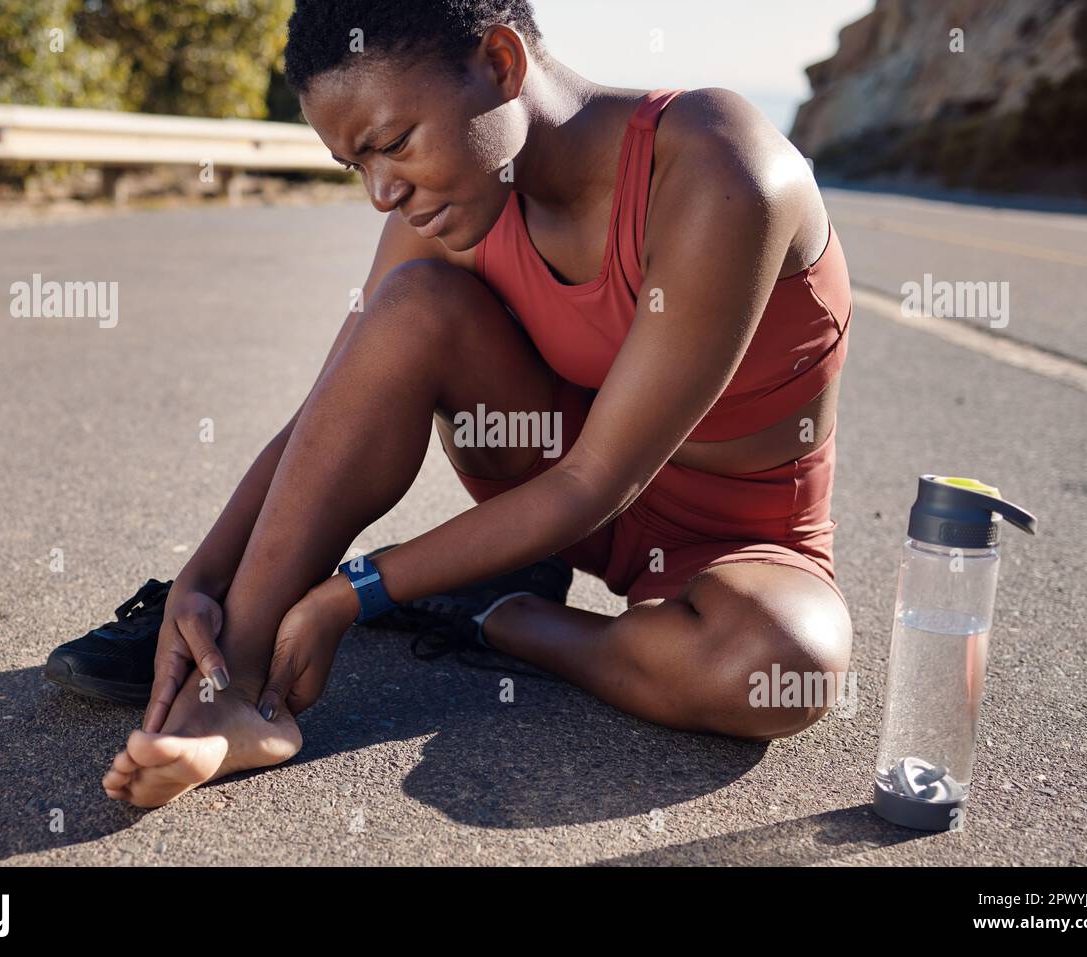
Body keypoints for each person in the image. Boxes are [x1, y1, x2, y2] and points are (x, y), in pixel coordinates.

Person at [70, 0, 855, 808]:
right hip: (547, 478)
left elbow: (595, 481)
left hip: (731, 540)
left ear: (502, 65)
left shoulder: (722, 172)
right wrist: (205, 572)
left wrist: (360, 588)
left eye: (394, 144)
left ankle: (500, 614)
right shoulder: (453, 200)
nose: (381, 193)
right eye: (356, 166)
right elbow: (332, 406)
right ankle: (233, 679)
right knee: (408, 308)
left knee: (782, 669)